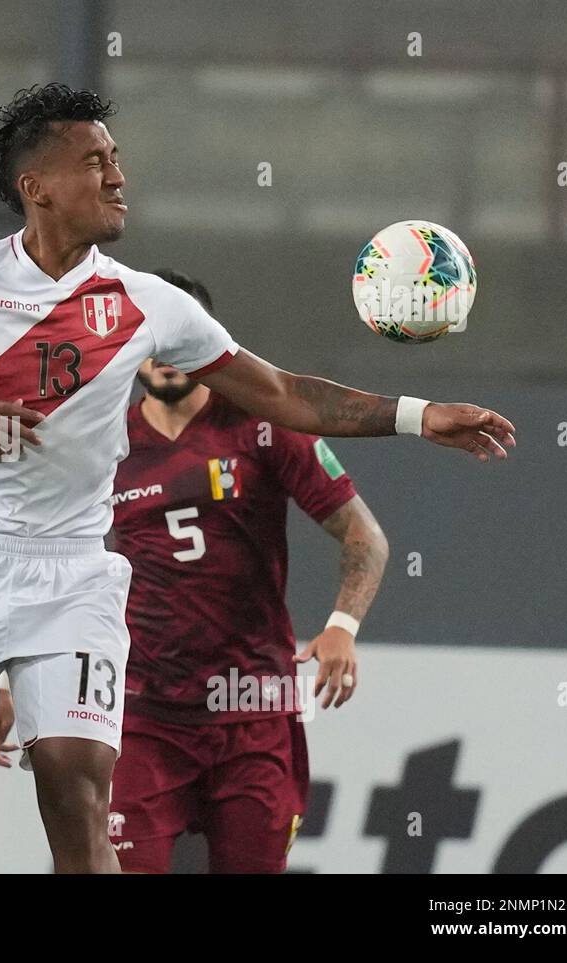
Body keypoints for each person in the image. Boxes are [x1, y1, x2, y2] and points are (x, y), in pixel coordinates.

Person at [0, 82, 514, 874]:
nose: (116, 175)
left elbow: (281, 393)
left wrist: (418, 413)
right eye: (94, 161)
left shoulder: (150, 304)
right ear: (36, 188)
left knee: (80, 796)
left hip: (75, 577)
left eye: (116, 158)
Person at [106, 271, 389, 873]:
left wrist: (342, 624)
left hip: (254, 714)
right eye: (150, 339)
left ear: (208, 344)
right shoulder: (103, 444)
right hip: (143, 715)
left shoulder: (264, 425)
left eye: (180, 339)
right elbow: (52, 562)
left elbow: (365, 536)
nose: (164, 355)